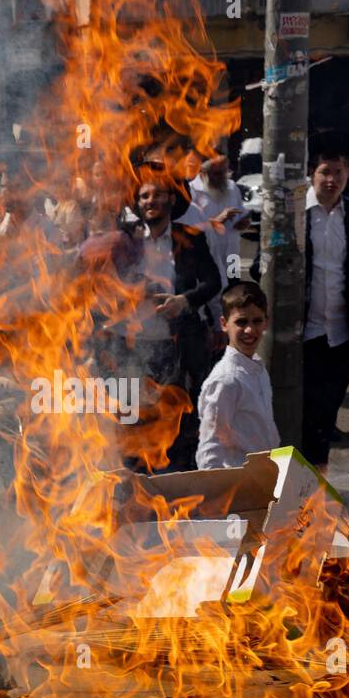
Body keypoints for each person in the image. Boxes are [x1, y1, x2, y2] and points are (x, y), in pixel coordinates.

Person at [94, 169, 220, 472]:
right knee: (130, 419)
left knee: (173, 422)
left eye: (158, 194)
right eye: (144, 196)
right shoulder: (124, 240)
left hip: (174, 347)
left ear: (171, 199)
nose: (151, 201)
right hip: (131, 347)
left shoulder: (190, 237)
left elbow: (213, 281)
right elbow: (103, 286)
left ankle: (171, 487)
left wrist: (184, 301)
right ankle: (132, 484)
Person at [299, 130, 349, 473]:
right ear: (312, 174)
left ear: (348, 176)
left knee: (327, 416)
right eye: (325, 172)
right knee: (295, 414)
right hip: (301, 334)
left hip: (341, 335)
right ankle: (284, 492)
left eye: (339, 173)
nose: (331, 180)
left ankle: (316, 492)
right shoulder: (294, 212)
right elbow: (262, 265)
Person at [196, 283, 279, 469]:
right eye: (241, 322)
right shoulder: (226, 380)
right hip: (237, 485)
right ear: (224, 324)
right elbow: (210, 449)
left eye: (257, 321)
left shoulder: (257, 368)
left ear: (267, 321)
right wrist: (218, 495)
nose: (249, 330)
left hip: (262, 478)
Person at [189, 154, 250, 316]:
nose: (222, 178)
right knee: (212, 300)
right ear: (203, 172)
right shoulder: (192, 191)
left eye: (224, 172)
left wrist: (243, 222)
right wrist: (218, 220)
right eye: (217, 174)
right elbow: (190, 228)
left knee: (234, 295)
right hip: (209, 258)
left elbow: (241, 212)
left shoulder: (231, 186)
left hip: (232, 255)